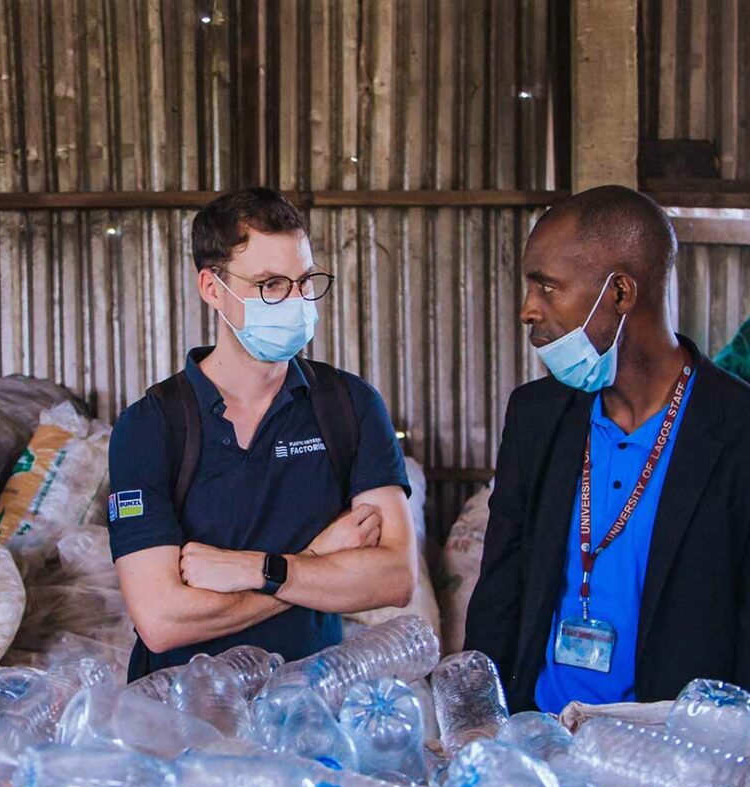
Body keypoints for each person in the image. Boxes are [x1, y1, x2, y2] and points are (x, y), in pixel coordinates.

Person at [108, 187, 417, 681]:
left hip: (309, 705)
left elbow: (395, 579)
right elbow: (162, 622)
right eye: (270, 284)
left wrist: (256, 569)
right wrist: (315, 559)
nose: (295, 301)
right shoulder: (151, 426)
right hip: (185, 710)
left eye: (304, 281)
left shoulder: (348, 405)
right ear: (212, 288)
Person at [465, 185, 750, 715]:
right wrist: (480, 719)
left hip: (671, 747)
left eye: (546, 287)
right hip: (541, 735)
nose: (528, 309)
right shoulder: (536, 416)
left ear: (620, 293)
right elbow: (501, 585)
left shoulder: (736, 428)